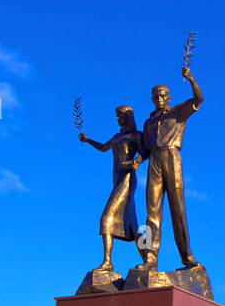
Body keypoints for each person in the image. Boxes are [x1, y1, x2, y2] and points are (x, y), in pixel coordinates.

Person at [136, 66, 203, 270]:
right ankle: (150, 258)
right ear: (152, 99)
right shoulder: (149, 122)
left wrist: (191, 79)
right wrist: (139, 160)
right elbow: (146, 149)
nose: (159, 99)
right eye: (156, 96)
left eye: (163, 95)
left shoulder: (177, 112)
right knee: (152, 213)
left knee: (178, 210)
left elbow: (198, 100)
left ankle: (187, 256)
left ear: (169, 96)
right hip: (154, 160)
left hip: (172, 157)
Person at [78, 106, 145, 271]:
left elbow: (145, 152)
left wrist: (135, 161)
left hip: (127, 180)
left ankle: (107, 262)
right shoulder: (117, 136)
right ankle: (148, 260)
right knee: (134, 226)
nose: (117, 119)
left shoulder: (136, 135)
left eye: (119, 116)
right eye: (116, 116)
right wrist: (87, 140)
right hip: (116, 179)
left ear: (128, 116)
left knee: (106, 217)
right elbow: (103, 148)